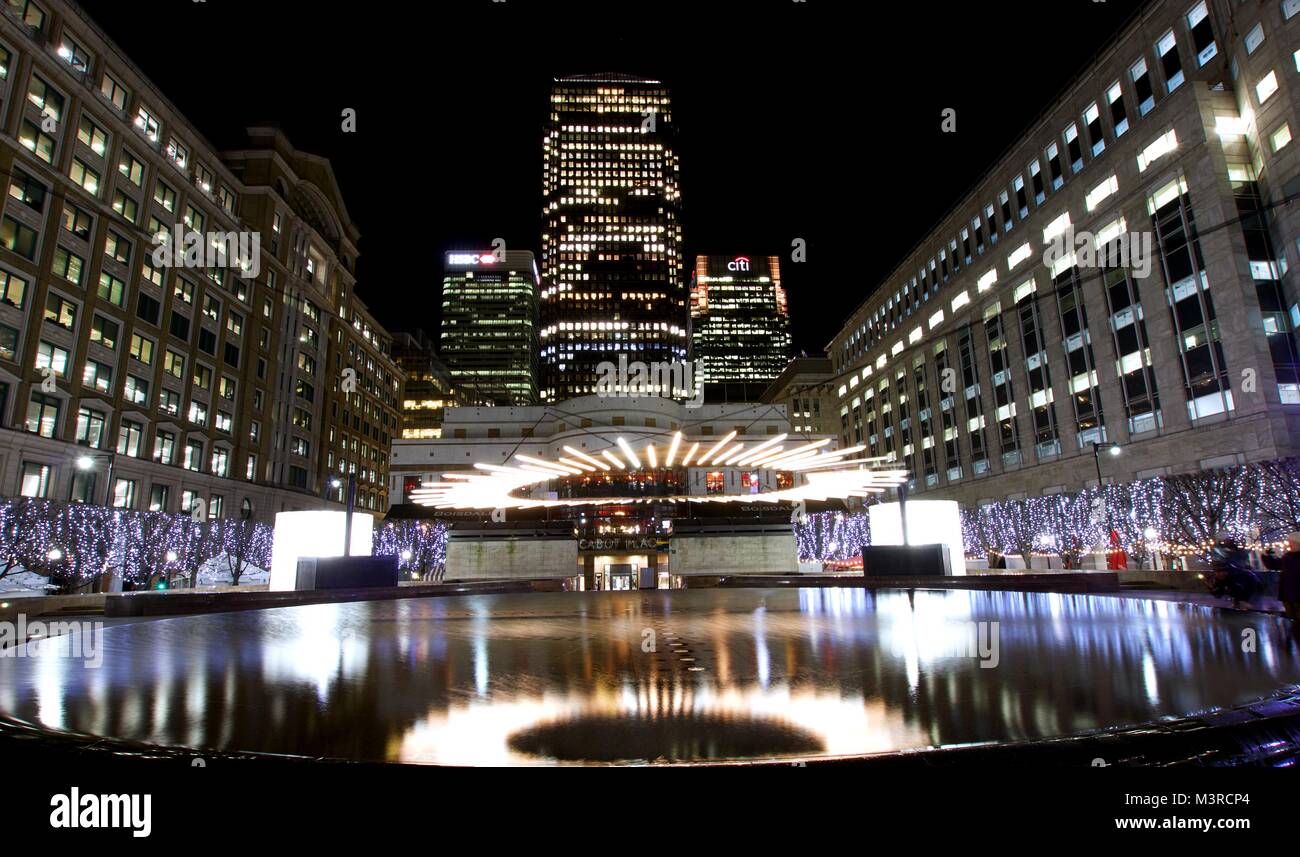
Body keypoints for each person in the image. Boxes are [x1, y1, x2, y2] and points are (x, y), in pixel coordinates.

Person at [1208, 533, 1259, 609]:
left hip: (1240, 578)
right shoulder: (1221, 552)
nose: (1220, 574)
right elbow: (1218, 593)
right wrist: (1212, 588)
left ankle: (1240, 601)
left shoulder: (1240, 574)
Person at [1280, 532, 1300, 623]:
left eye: (1292, 542)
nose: (1289, 545)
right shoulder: (1287, 556)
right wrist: (1266, 556)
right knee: (1291, 619)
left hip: (1296, 594)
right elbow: (1275, 564)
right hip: (1288, 594)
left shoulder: (1289, 557)